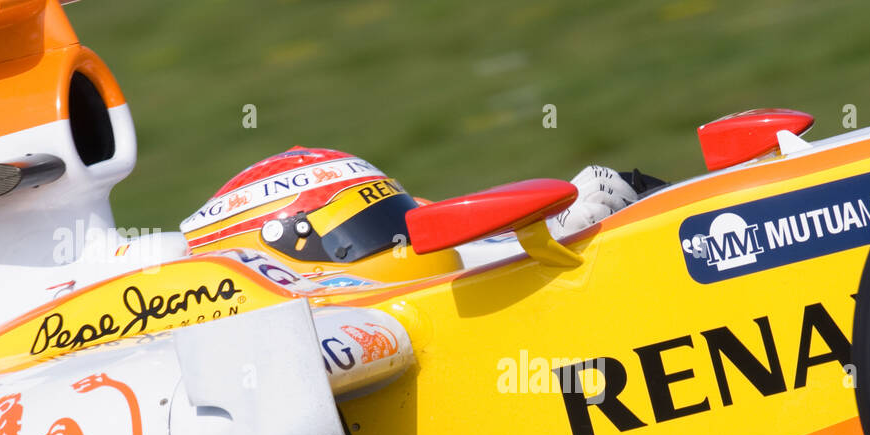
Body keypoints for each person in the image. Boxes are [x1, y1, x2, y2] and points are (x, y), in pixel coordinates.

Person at [179, 146, 661, 282]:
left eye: (391, 215)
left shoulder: (431, 253)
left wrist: (576, 222)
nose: (398, 235)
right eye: (359, 229)